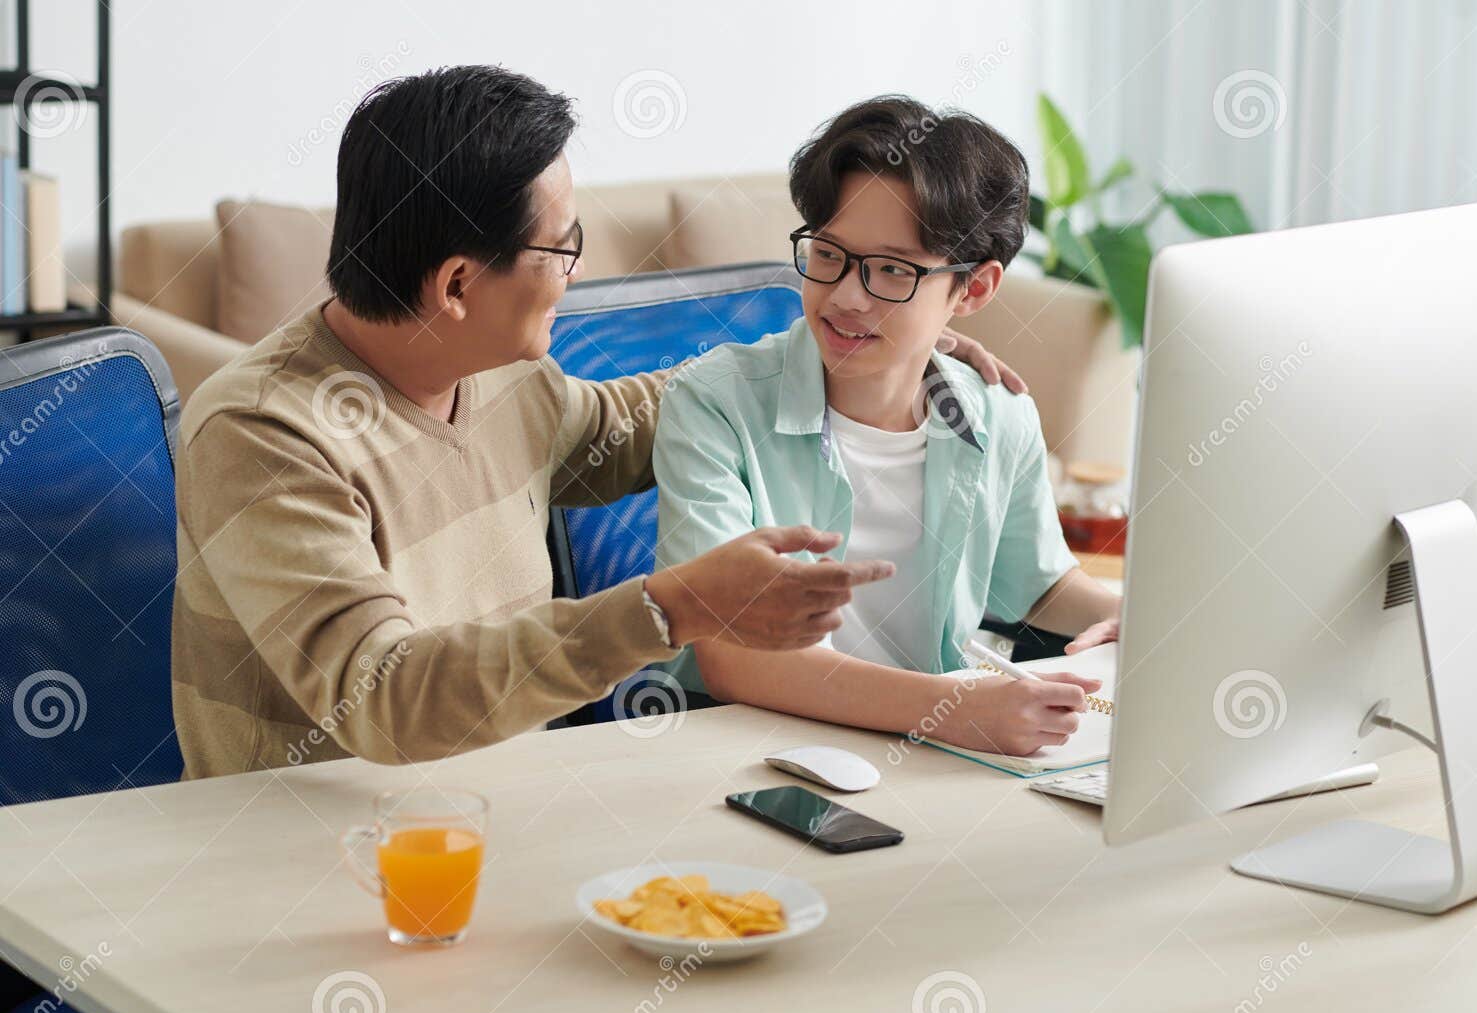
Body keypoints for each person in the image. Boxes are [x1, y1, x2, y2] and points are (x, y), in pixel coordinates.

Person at [171, 68, 1021, 777]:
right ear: (458, 286)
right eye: (561, 249)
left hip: (508, 816)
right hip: (295, 860)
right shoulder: (266, 436)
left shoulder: (504, 380)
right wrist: (664, 610)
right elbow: (386, 700)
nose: (575, 273)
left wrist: (876, 331)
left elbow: (662, 411)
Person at [653, 96, 1122, 757]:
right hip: (740, 747)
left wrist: (1119, 614)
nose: (846, 296)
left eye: (892, 271)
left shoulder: (997, 413)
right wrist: (954, 711)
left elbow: (1038, 583)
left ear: (975, 290)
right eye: (829, 254)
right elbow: (733, 656)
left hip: (927, 752)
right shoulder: (714, 406)